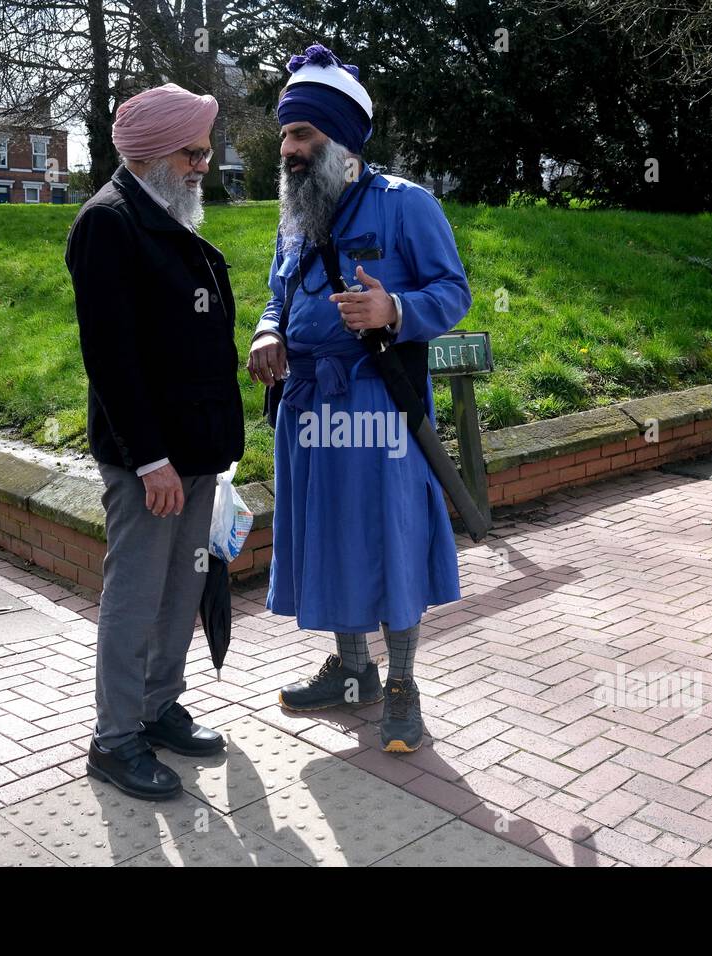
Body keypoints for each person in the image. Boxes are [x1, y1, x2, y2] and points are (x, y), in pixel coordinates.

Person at [247, 44, 470, 752]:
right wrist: (266, 330)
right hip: (307, 405)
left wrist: (393, 311)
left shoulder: (409, 206)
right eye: (285, 133)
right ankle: (352, 672)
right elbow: (279, 296)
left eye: (302, 133)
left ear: (340, 139)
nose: (289, 148)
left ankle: (401, 684)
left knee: (390, 540)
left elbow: (452, 292)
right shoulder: (295, 219)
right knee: (330, 539)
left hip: (378, 407)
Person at [65, 83, 244, 800]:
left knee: (181, 589)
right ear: (150, 152)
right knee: (136, 595)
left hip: (197, 451)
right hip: (153, 460)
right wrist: (150, 458)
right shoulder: (108, 223)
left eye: (205, 150)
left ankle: (158, 706)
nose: (204, 163)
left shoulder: (168, 209)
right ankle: (114, 739)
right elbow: (111, 358)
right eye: (192, 151)